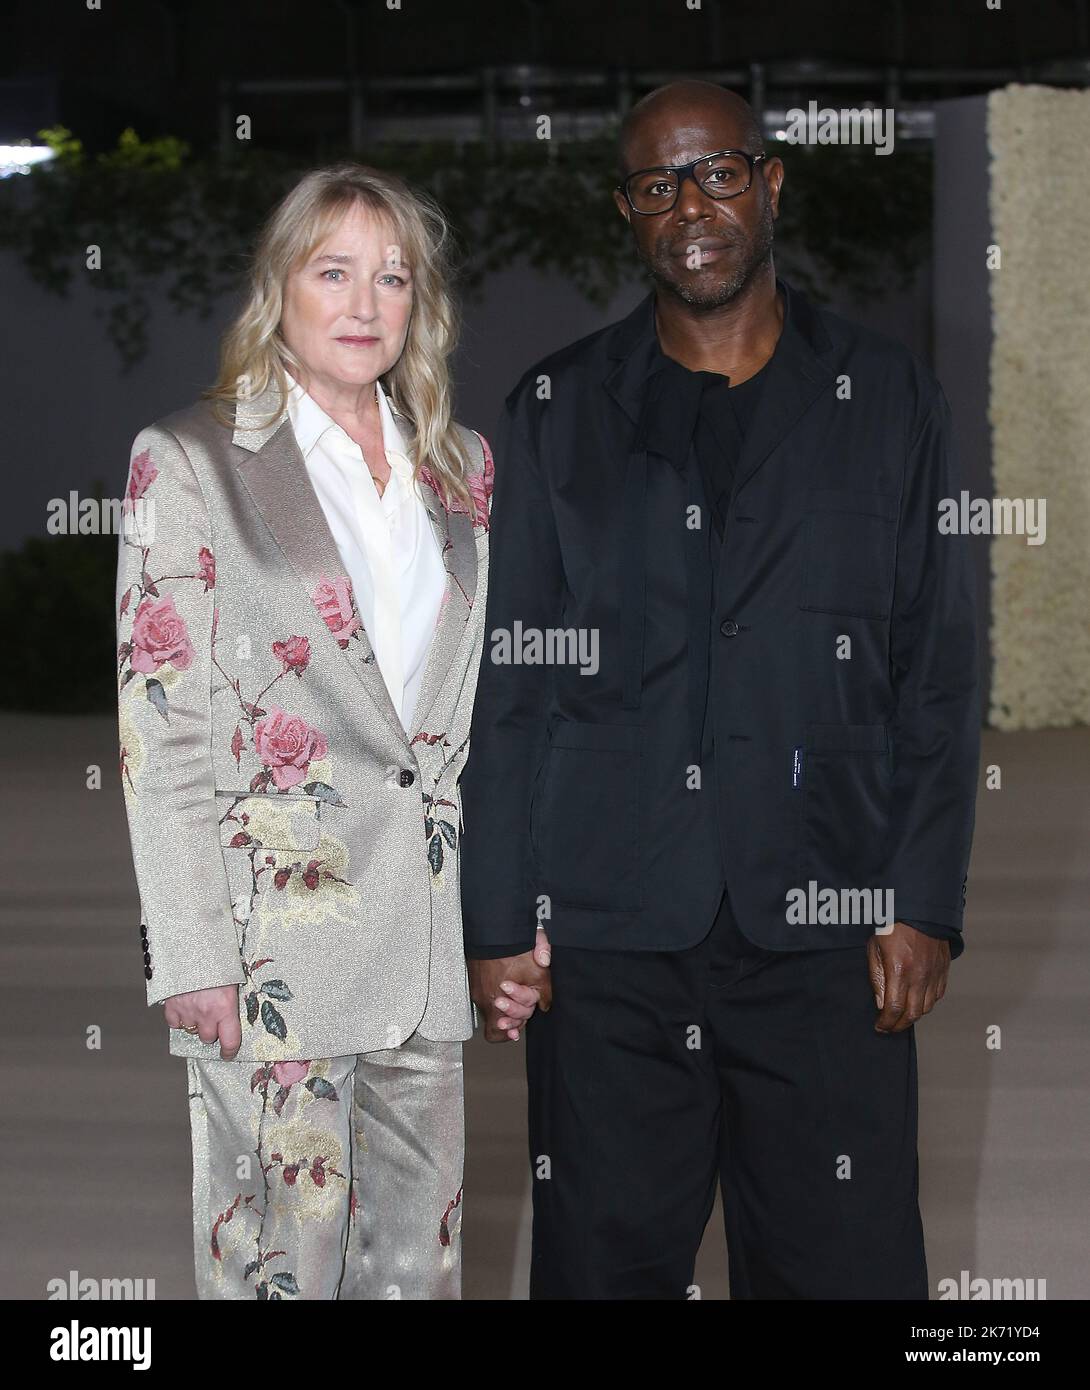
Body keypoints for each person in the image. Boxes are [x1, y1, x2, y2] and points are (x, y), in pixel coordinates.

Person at [459, 80, 980, 1299]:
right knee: (600, 1266)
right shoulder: (552, 410)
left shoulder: (888, 399)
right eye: (656, 184)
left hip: (827, 932)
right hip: (610, 938)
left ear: (771, 180)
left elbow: (938, 673)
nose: (690, 206)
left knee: (843, 1268)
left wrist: (924, 898)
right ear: (626, 211)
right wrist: (494, 921)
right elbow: (513, 678)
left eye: (718, 173)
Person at [115, 162, 538, 1300]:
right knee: (276, 1275)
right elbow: (163, 738)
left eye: (391, 277)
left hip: (423, 940)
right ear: (280, 288)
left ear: (421, 303)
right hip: (270, 958)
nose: (364, 304)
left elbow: (477, 725)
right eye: (333, 271)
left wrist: (507, 920)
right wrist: (191, 952)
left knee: (419, 1266)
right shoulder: (191, 460)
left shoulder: (463, 473)